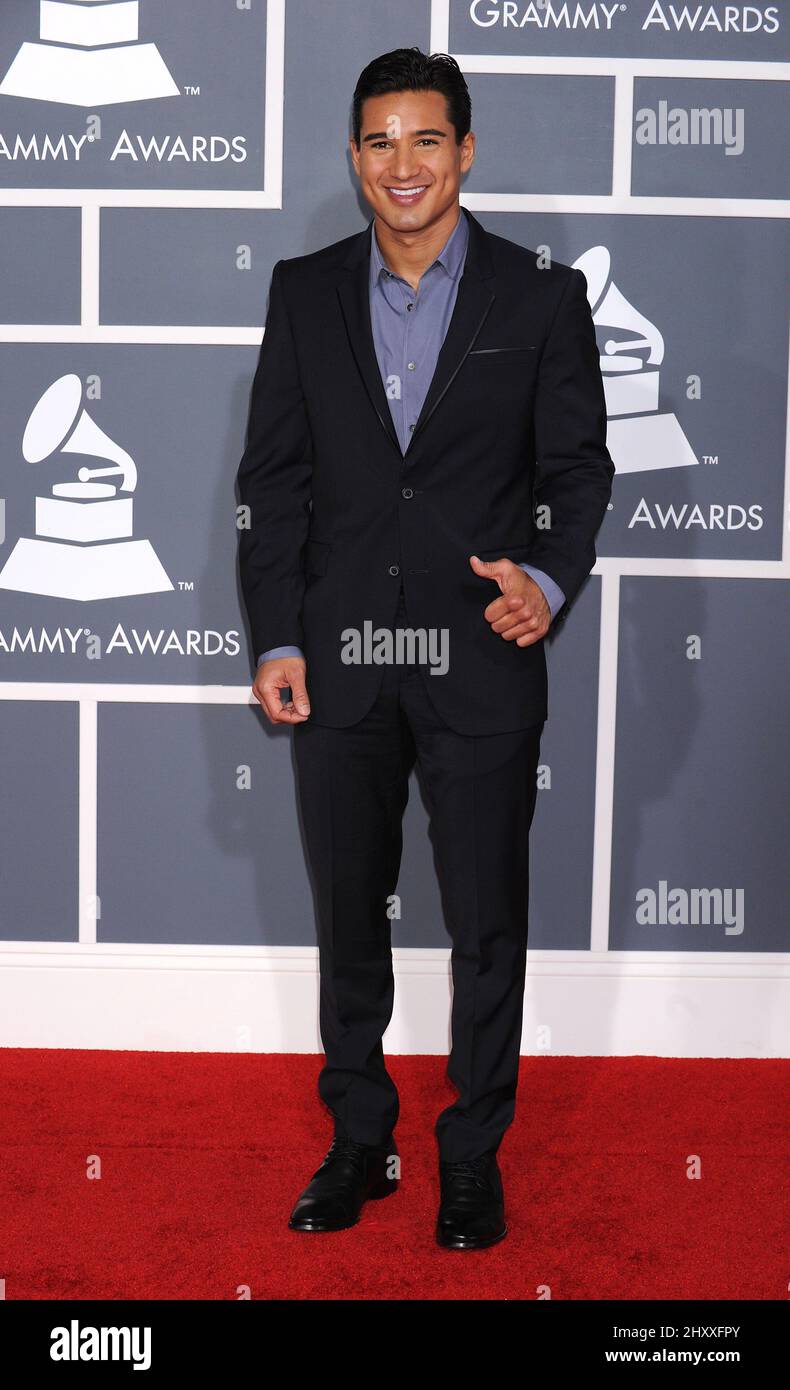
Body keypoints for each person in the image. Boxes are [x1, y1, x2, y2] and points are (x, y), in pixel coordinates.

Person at [236, 47, 614, 1250]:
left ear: (464, 150)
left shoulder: (539, 295)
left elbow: (575, 468)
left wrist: (546, 581)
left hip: (480, 660)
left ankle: (470, 1154)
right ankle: (360, 1143)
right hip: (339, 658)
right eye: (380, 142)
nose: (403, 165)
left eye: (426, 140)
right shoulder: (302, 291)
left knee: (485, 921)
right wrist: (279, 635)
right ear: (354, 159)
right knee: (348, 918)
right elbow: (274, 479)